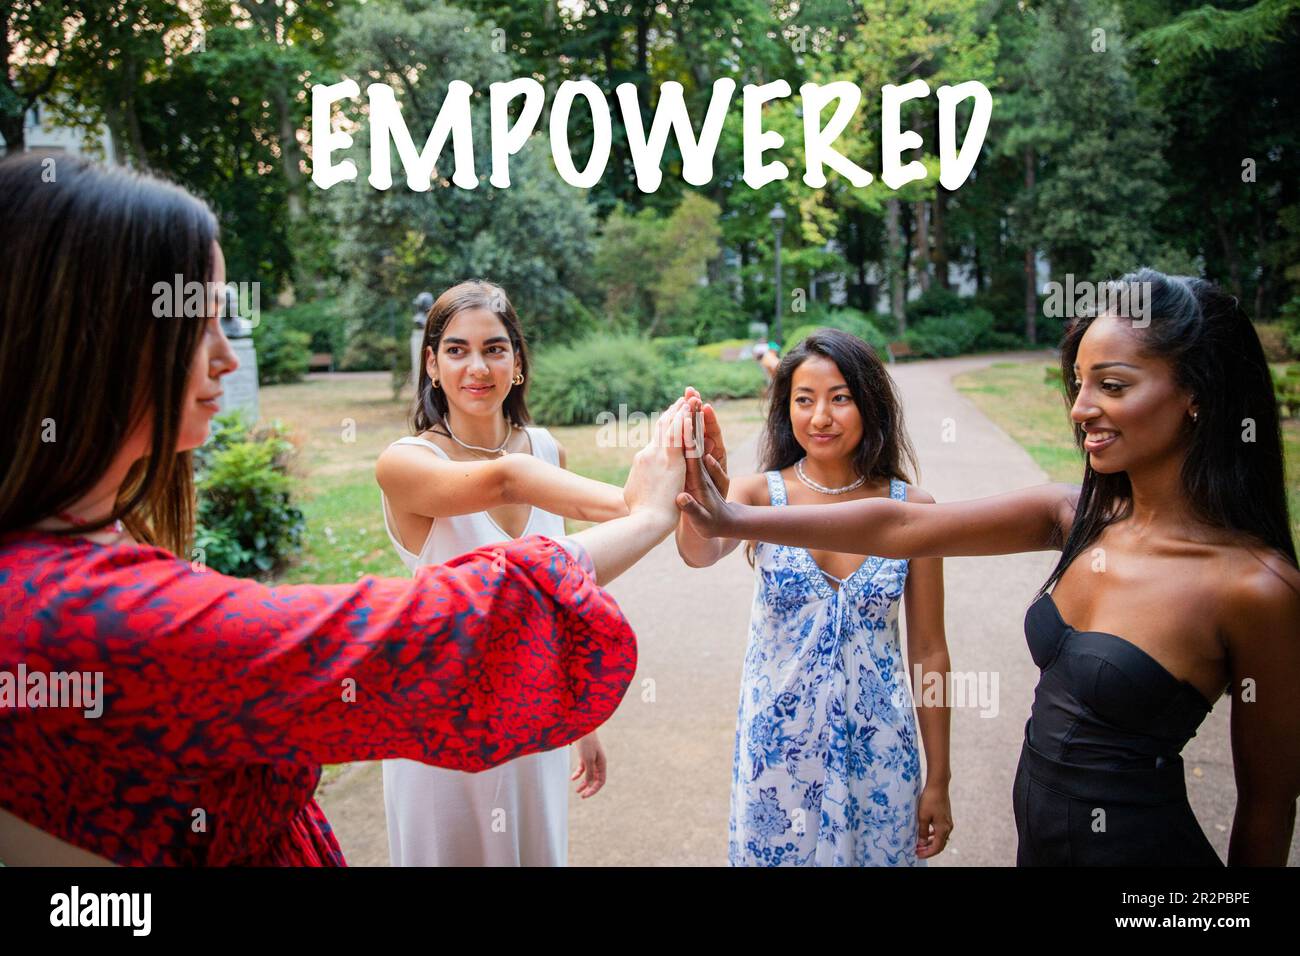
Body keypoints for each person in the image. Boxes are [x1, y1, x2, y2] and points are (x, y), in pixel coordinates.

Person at [0, 152, 689, 866]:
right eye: (196, 321)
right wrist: (642, 513)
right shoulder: (85, 614)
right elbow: (432, 626)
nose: (227, 359)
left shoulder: (68, 566)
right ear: (94, 338)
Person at [678, 270, 1300, 866]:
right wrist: (729, 514)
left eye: (1111, 385)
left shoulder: (1256, 587)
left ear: (1198, 393)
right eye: (1077, 383)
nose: (1080, 409)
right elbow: (899, 527)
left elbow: (1268, 813)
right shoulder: (1073, 516)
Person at [676, 331, 952, 866]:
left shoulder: (915, 509)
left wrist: (938, 776)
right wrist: (702, 486)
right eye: (804, 399)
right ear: (787, 408)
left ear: (870, 403)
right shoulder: (760, 496)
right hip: (777, 758)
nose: (820, 416)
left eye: (840, 397)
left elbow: (929, 651)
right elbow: (698, 552)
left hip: (880, 755)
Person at [377, 280, 624, 866]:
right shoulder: (406, 461)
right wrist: (647, 498)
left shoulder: (547, 451)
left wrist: (581, 714)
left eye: (494, 348)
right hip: (439, 722)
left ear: (517, 362)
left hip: (534, 714)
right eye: (457, 350)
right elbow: (504, 480)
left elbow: (567, 593)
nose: (477, 366)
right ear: (432, 365)